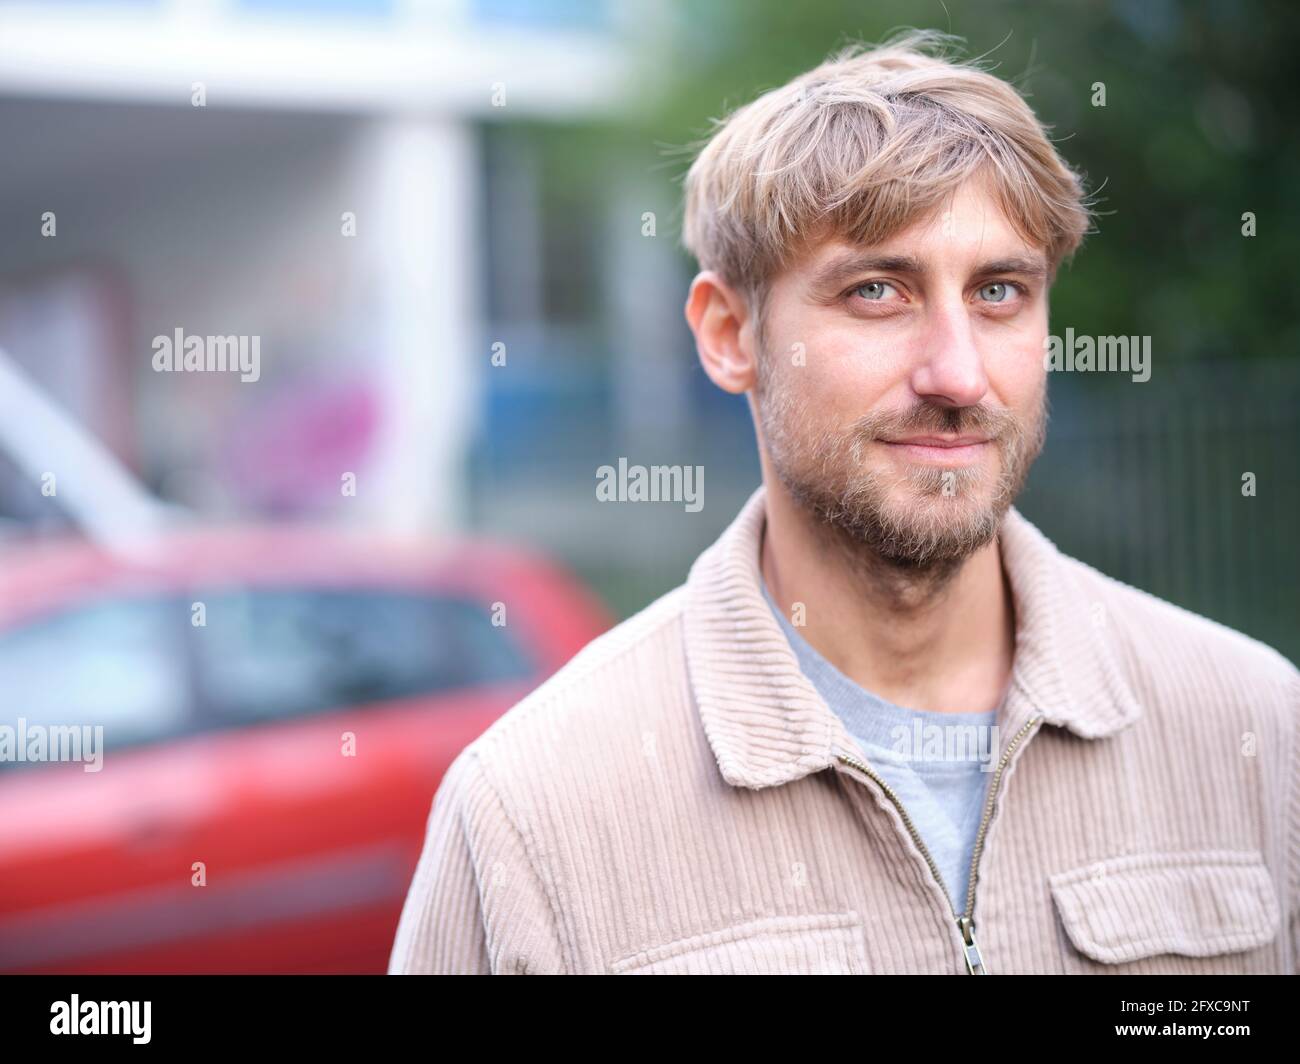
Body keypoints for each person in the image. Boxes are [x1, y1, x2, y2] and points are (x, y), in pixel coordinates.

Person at [389, 31, 1298, 975]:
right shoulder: (533, 811)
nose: (958, 372)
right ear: (731, 334)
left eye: (999, 292)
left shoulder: (1253, 729)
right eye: (876, 291)